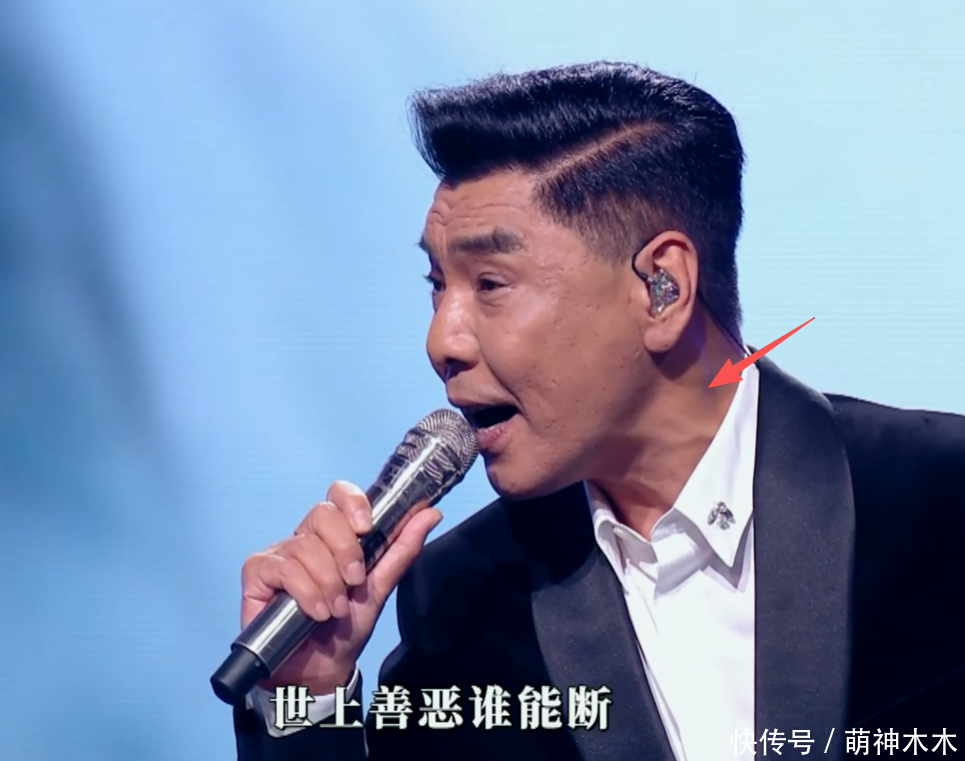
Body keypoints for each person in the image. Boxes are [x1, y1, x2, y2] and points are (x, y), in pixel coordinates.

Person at [230, 62, 965, 761]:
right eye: (437, 285)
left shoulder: (939, 498)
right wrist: (305, 697)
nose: (441, 342)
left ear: (661, 288)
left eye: (490, 284)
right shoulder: (461, 602)